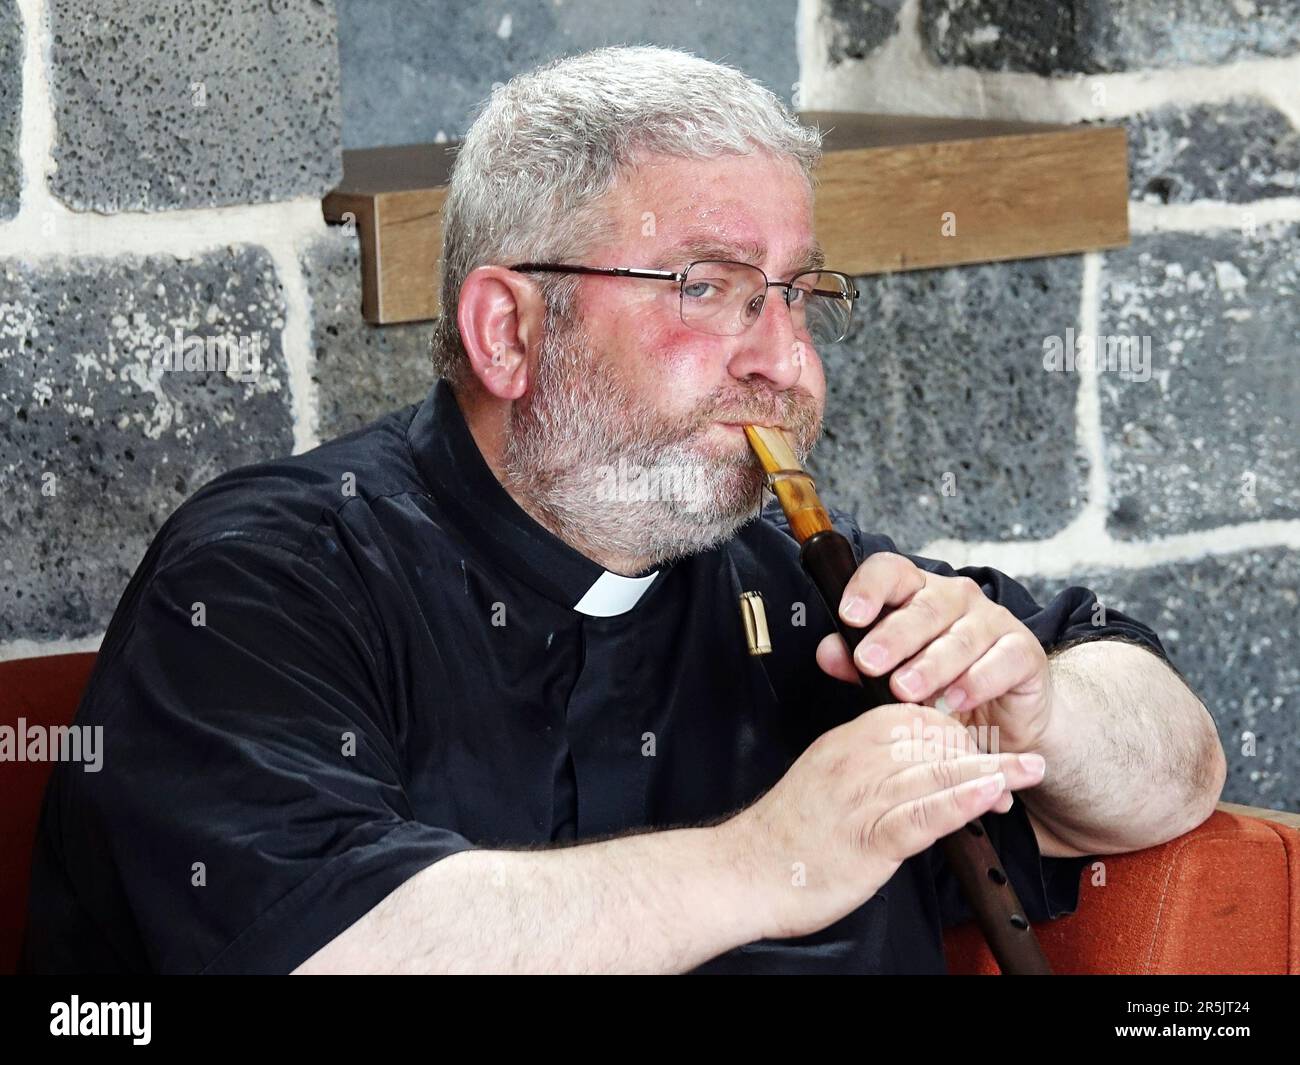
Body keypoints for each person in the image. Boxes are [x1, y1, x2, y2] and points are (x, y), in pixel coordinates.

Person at [20, 46, 1224, 975]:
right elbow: (327, 946)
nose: (786, 363)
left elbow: (1177, 771)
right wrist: (779, 858)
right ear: (508, 331)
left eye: (798, 296)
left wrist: (1046, 707)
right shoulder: (266, 577)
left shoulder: (795, 587)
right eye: (710, 288)